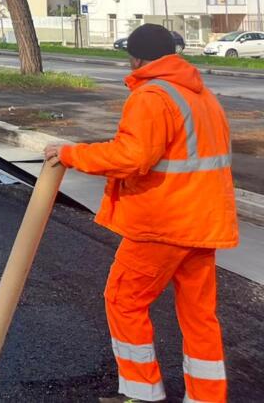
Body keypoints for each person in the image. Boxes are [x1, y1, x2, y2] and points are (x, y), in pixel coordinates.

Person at [44, 23, 237, 403]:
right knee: (199, 316)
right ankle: (207, 397)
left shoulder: (152, 96)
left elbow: (131, 157)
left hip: (162, 223)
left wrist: (71, 154)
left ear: (135, 57)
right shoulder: (201, 96)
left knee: (124, 300)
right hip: (202, 223)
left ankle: (140, 392)